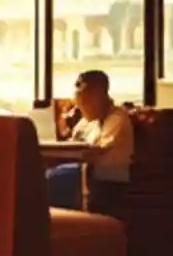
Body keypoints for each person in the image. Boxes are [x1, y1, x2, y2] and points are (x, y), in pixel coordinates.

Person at [45, 70, 135, 214]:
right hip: (82, 177)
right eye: (78, 103)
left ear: (99, 96)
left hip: (106, 185)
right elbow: (72, 143)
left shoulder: (117, 119)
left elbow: (97, 153)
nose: (80, 108)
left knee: (43, 184)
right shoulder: (88, 121)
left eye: (84, 102)